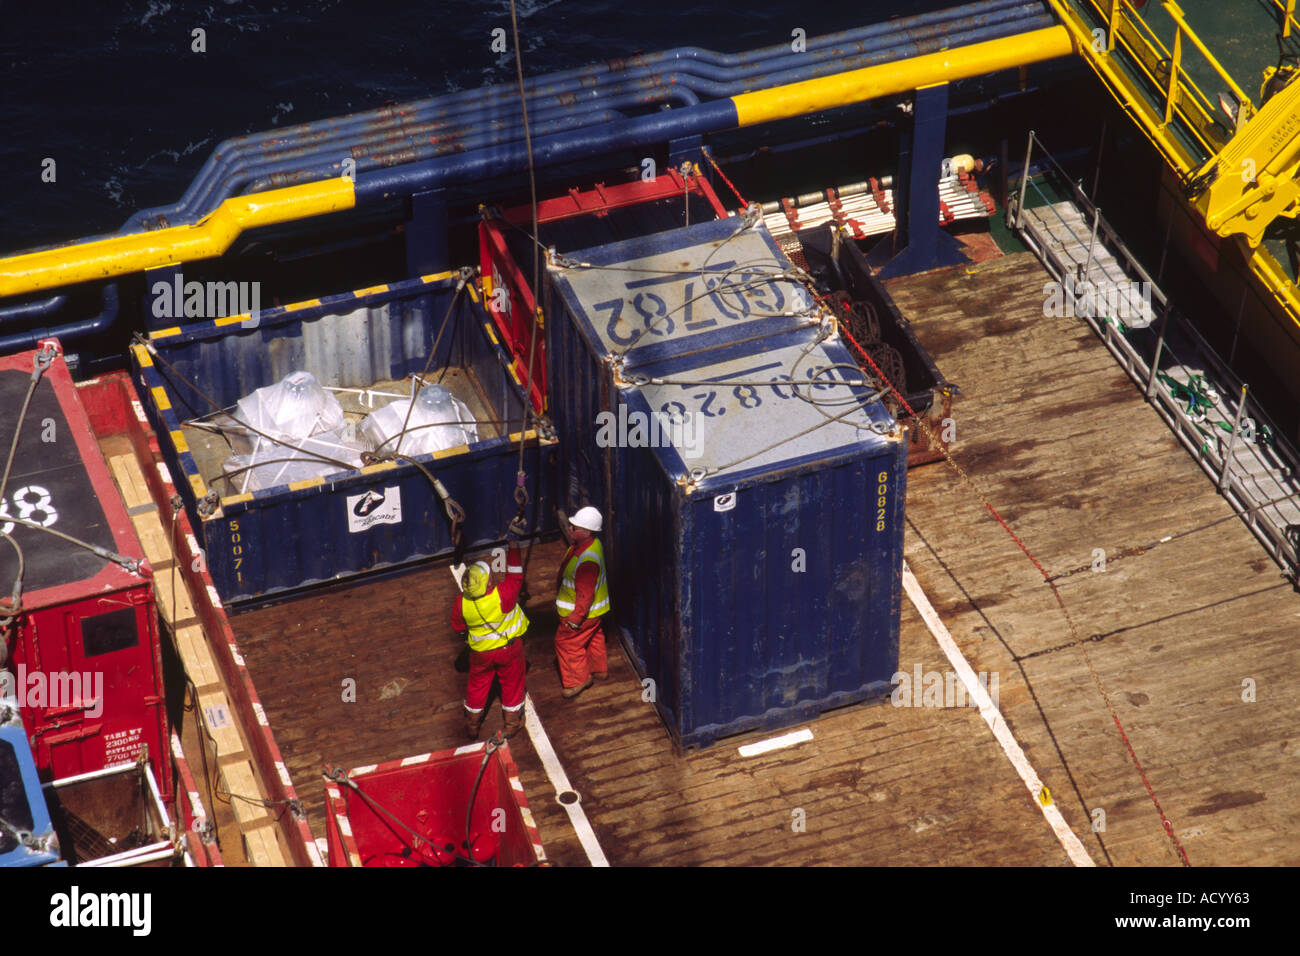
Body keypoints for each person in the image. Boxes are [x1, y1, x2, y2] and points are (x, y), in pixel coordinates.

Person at [450, 542, 528, 739]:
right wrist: (514, 549)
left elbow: (458, 627)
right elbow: (516, 575)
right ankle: (512, 723)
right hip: (508, 650)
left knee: (477, 686)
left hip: (480, 654)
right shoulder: (503, 595)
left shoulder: (461, 603)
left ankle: (472, 724)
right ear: (488, 584)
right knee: (512, 684)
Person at [554, 506, 610, 699]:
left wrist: (575, 618)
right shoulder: (593, 545)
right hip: (595, 614)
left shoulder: (586, 560)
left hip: (581, 614)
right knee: (594, 635)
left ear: (587, 532)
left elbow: (585, 594)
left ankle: (578, 680)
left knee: (567, 644)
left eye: (574, 527)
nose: (569, 528)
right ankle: (598, 669)